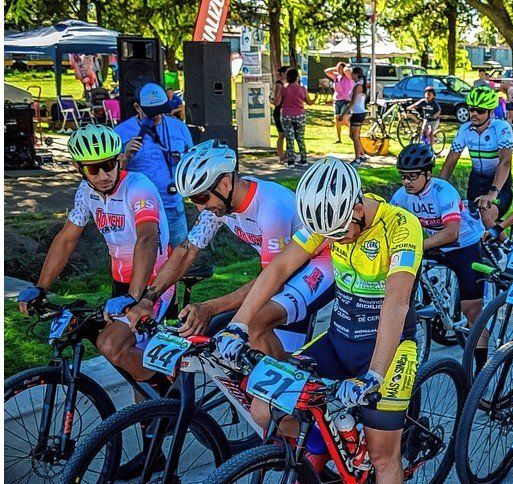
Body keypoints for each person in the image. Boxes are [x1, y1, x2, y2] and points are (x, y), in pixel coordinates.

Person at [214, 157, 424, 484]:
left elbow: (396, 303)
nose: (334, 241)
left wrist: (374, 376)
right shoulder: (324, 218)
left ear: (358, 208)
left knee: (383, 456)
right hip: (339, 337)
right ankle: (319, 449)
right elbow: (278, 268)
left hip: (387, 349)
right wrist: (239, 324)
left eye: (340, 233)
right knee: (267, 404)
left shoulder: (401, 227)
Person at [124, 140, 335, 354]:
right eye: (193, 200)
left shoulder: (271, 207)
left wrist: (210, 307)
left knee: (257, 325)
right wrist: (149, 299)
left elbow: (275, 279)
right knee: (254, 336)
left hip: (318, 262)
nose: (200, 207)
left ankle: (286, 375)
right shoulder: (219, 205)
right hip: (284, 268)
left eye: (201, 197)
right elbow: (186, 251)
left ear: (225, 183)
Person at [18, 125, 172, 385]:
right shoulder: (86, 192)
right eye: (93, 169)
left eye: (109, 165)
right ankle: (156, 403)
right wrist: (41, 287)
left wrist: (135, 296)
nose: (103, 175)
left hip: (154, 282)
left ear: (118, 160)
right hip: (122, 282)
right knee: (129, 358)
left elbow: (147, 238)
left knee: (111, 344)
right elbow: (67, 239)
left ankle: (174, 385)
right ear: (78, 168)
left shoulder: (138, 187)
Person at [390, 143, 488, 369]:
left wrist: (416, 245)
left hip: (464, 245)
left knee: (472, 310)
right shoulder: (402, 195)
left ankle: (481, 368)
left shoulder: (444, 192)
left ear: (428, 174)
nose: (406, 182)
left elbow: (452, 232)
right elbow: (388, 223)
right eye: (403, 176)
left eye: (412, 176)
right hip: (437, 243)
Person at [114, 83, 193, 247]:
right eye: (151, 111)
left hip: (174, 207)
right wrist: (126, 156)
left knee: (180, 256)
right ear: (137, 107)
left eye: (161, 110)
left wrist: (183, 161)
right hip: (140, 211)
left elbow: (192, 162)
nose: (157, 115)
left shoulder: (179, 127)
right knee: (145, 257)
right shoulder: (119, 133)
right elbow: (111, 176)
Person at [440, 87, 513, 233]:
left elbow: (505, 162)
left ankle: (506, 245)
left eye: (480, 110)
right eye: (471, 109)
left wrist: (493, 193)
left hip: (499, 186)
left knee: (486, 217)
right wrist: (439, 188)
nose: (474, 113)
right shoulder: (465, 129)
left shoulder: (501, 128)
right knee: (466, 222)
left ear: (491, 112)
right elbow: (450, 162)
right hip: (476, 184)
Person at [275, 68, 315, 167]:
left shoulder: (284, 88)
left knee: (289, 138)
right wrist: (315, 99)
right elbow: (309, 102)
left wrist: (271, 100)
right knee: (300, 137)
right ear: (297, 77)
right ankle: (304, 159)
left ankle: (290, 161)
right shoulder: (302, 89)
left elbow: (277, 102)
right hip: (300, 115)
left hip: (286, 115)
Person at [325, 62, 355, 144]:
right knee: (337, 120)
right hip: (337, 100)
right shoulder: (336, 76)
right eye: (338, 68)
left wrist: (344, 68)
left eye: (340, 68)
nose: (339, 70)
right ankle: (339, 139)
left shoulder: (348, 77)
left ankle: (354, 133)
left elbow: (348, 71)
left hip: (346, 100)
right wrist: (336, 68)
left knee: (344, 119)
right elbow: (326, 71)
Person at [348, 66, 370, 165]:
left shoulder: (358, 86)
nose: (351, 75)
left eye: (352, 73)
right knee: (352, 136)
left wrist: (344, 113)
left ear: (356, 74)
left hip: (358, 112)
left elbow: (353, 101)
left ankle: (357, 158)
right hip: (356, 112)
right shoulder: (358, 84)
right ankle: (362, 154)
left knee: (355, 137)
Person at [272, 67, 287, 162]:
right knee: (282, 134)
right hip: (279, 111)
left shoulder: (288, 84)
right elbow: (276, 101)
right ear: (282, 73)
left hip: (286, 111)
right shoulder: (279, 84)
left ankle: (286, 154)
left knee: (287, 134)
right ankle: (281, 155)